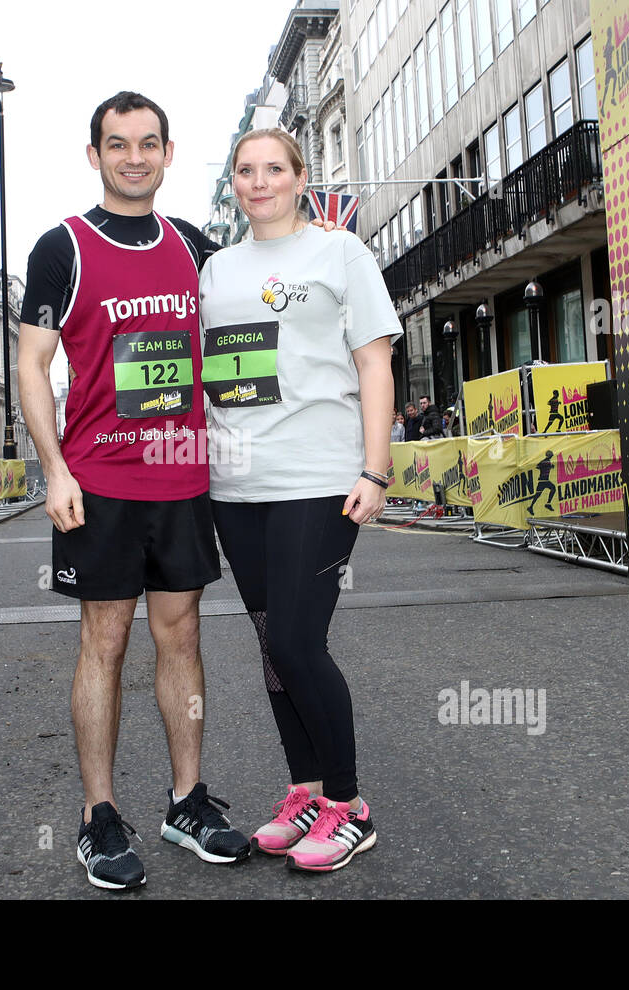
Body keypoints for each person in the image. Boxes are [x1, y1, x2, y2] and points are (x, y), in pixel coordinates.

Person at [17, 92, 250, 891]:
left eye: (148, 143)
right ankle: (98, 815)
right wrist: (54, 467)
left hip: (181, 477)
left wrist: (313, 236)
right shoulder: (62, 247)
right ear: (95, 155)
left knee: (181, 638)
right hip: (101, 483)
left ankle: (187, 801)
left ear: (168, 152)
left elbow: (258, 281)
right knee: (105, 643)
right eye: (117, 145)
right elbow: (31, 367)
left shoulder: (193, 245)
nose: (134, 157)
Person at [198, 128, 399, 873]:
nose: (259, 182)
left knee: (296, 642)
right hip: (236, 483)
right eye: (245, 171)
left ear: (301, 176)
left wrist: (375, 470)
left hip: (319, 477)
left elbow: (374, 361)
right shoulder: (215, 269)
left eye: (273, 168)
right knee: (270, 648)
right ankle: (306, 791)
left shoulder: (341, 252)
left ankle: (349, 806)